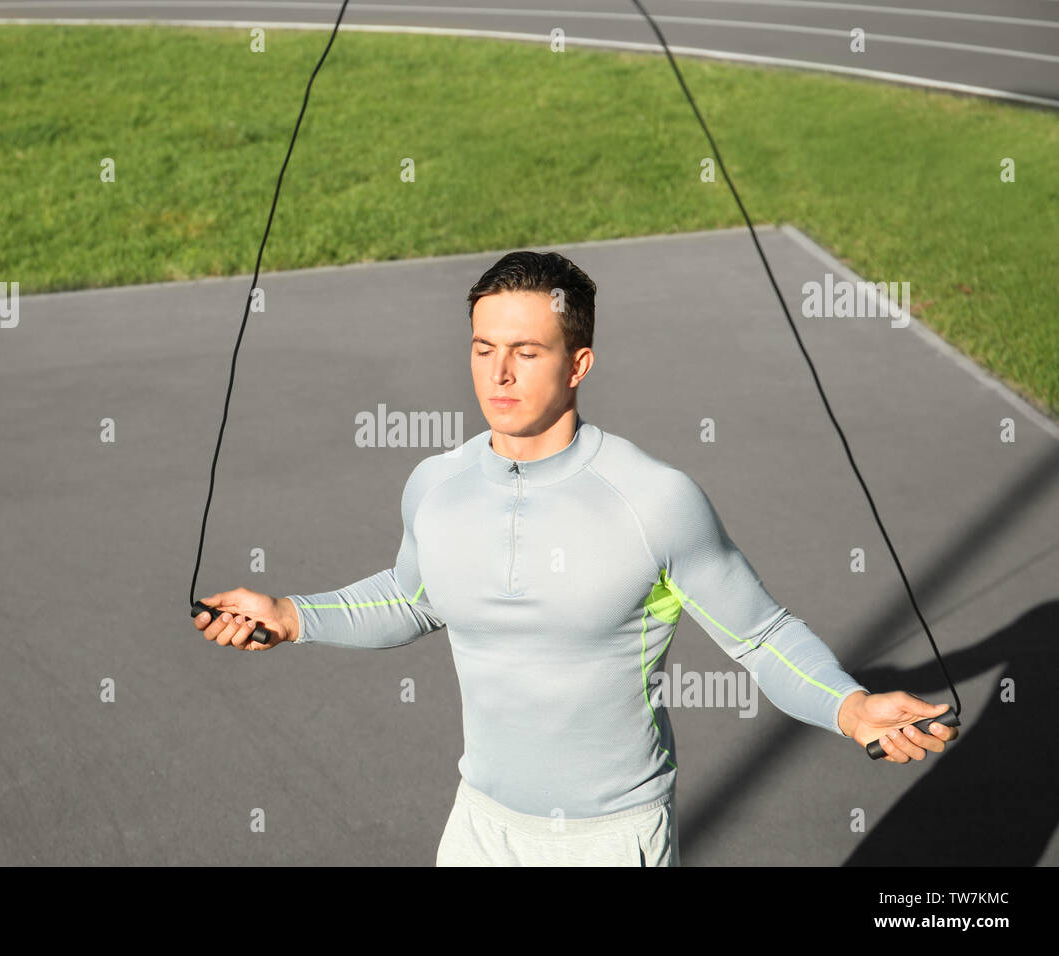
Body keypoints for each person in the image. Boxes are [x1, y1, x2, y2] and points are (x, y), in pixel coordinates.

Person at [192, 250, 959, 866]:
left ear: (578, 364)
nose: (498, 374)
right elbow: (412, 594)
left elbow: (757, 637)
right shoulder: (436, 483)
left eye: (526, 352)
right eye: (484, 348)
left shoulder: (654, 500)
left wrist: (850, 706)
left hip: (612, 839)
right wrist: (293, 615)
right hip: (481, 828)